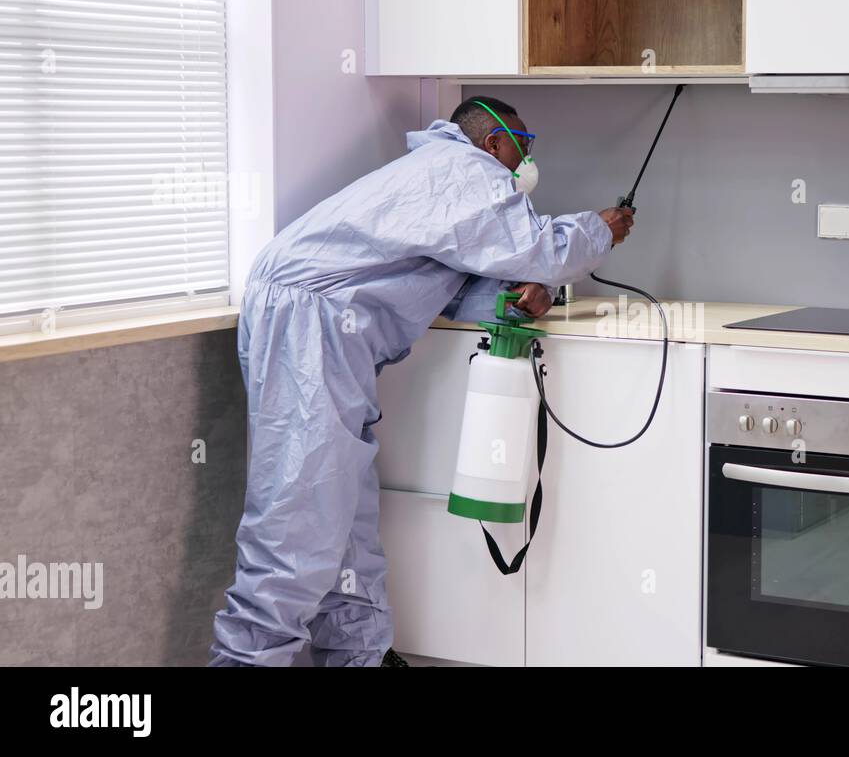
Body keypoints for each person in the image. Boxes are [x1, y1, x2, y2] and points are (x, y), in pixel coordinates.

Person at [209, 96, 634, 667]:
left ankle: (357, 655)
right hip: (313, 322)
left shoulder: (437, 178)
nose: (526, 161)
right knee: (297, 519)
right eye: (524, 146)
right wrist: (599, 230)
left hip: (317, 320)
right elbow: (542, 248)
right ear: (494, 141)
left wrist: (524, 293)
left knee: (342, 508)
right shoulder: (466, 170)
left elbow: (443, 281)